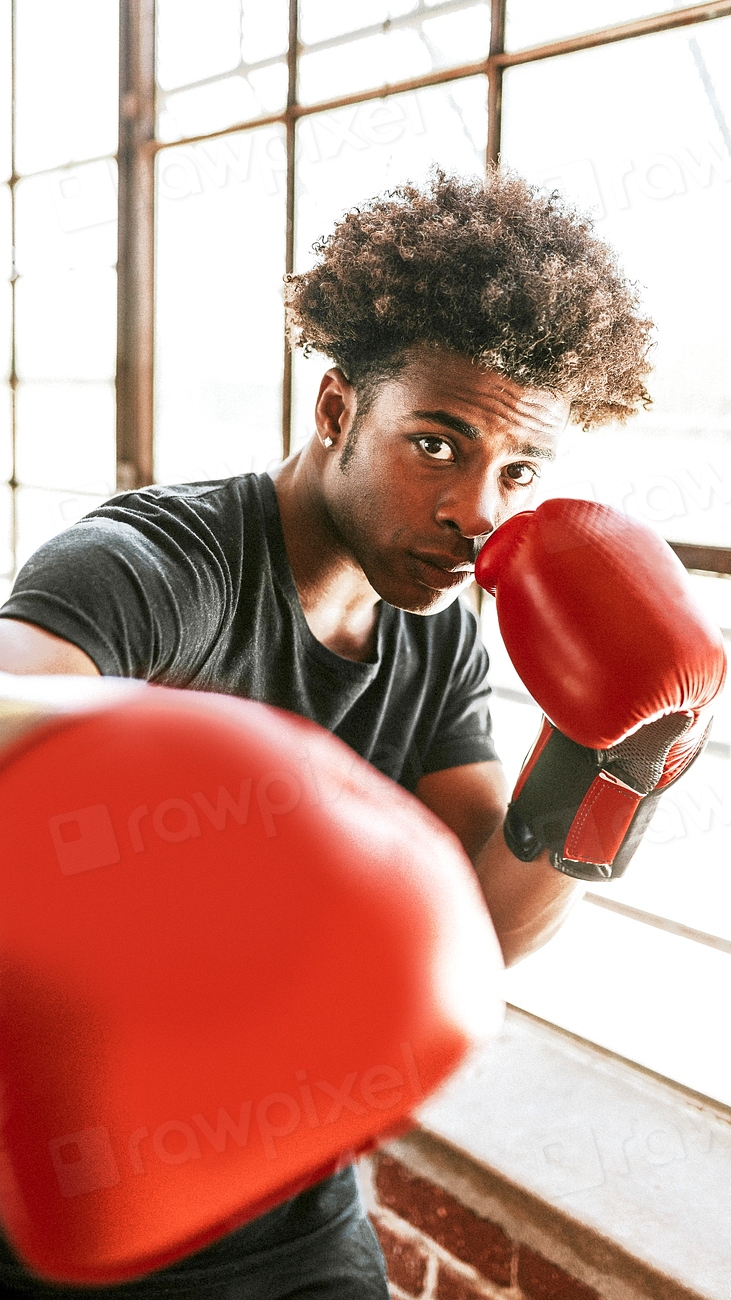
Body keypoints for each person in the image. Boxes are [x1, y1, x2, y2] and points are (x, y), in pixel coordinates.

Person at [0, 169, 653, 1299]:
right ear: (338, 407)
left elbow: (482, 930)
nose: (475, 515)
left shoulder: (436, 629)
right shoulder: (153, 566)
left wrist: (612, 761)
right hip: (66, 1197)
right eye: (438, 445)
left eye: (518, 471)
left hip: (298, 1217)